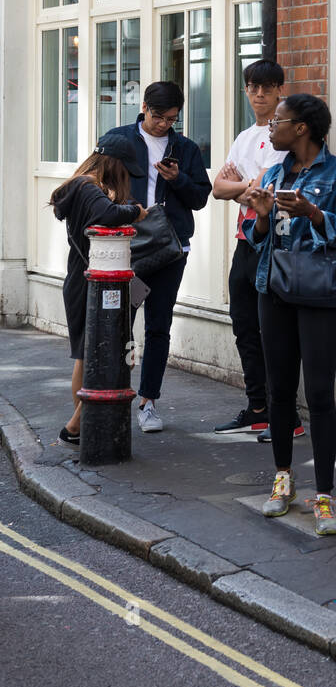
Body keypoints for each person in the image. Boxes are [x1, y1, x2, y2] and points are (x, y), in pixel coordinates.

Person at [242, 95, 336, 535]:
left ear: (302, 129)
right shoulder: (274, 174)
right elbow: (257, 238)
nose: (269, 127)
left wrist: (313, 213)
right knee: (278, 391)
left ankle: (325, 495)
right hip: (273, 292)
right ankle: (282, 478)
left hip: (321, 296)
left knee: (319, 394)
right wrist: (259, 217)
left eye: (278, 121)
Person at [104, 81, 211, 433]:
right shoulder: (119, 140)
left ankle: (149, 401)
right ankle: (114, 393)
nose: (166, 124)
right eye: (161, 117)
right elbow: (97, 185)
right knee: (121, 321)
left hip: (170, 248)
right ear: (145, 107)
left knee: (159, 324)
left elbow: (199, 198)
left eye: (173, 119)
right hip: (128, 248)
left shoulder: (185, 148)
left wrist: (178, 180)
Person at [211, 59, 303, 442]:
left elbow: (266, 189)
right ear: (246, 91)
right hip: (244, 242)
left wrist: (244, 185)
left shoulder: (282, 135)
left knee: (274, 331)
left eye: (267, 87)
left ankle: (289, 417)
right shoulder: (244, 137)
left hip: (275, 244)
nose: (260, 94)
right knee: (244, 325)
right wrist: (244, 186)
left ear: (280, 89)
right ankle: (258, 409)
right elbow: (217, 188)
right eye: (253, 87)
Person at [49, 136, 147, 444]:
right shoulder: (87, 187)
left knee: (84, 354)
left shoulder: (80, 186)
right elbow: (110, 215)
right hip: (88, 281)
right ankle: (77, 425)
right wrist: (137, 213)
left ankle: (83, 425)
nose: (127, 177)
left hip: (80, 279)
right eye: (125, 170)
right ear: (114, 164)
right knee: (91, 353)